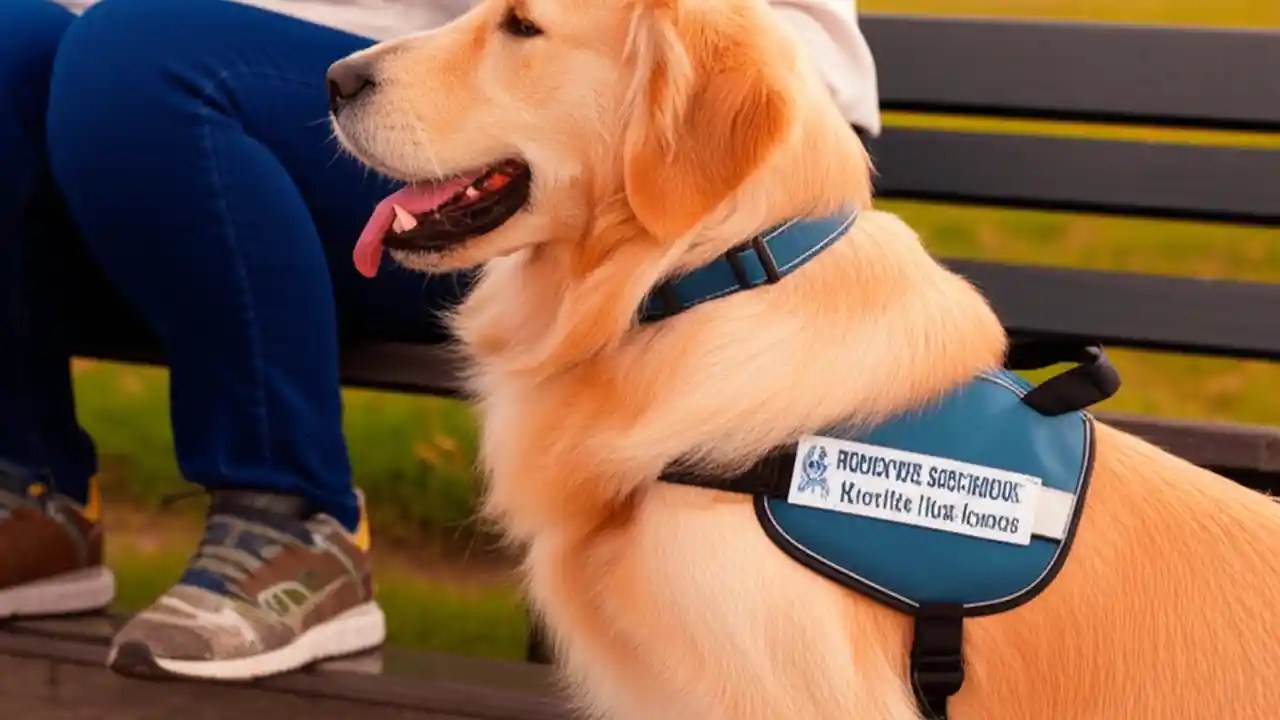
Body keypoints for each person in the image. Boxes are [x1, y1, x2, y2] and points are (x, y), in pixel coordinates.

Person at [0, 0, 880, 680]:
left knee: (138, 57)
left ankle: (290, 524)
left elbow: (767, 73)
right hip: (157, 136)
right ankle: (30, 495)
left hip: (556, 169)